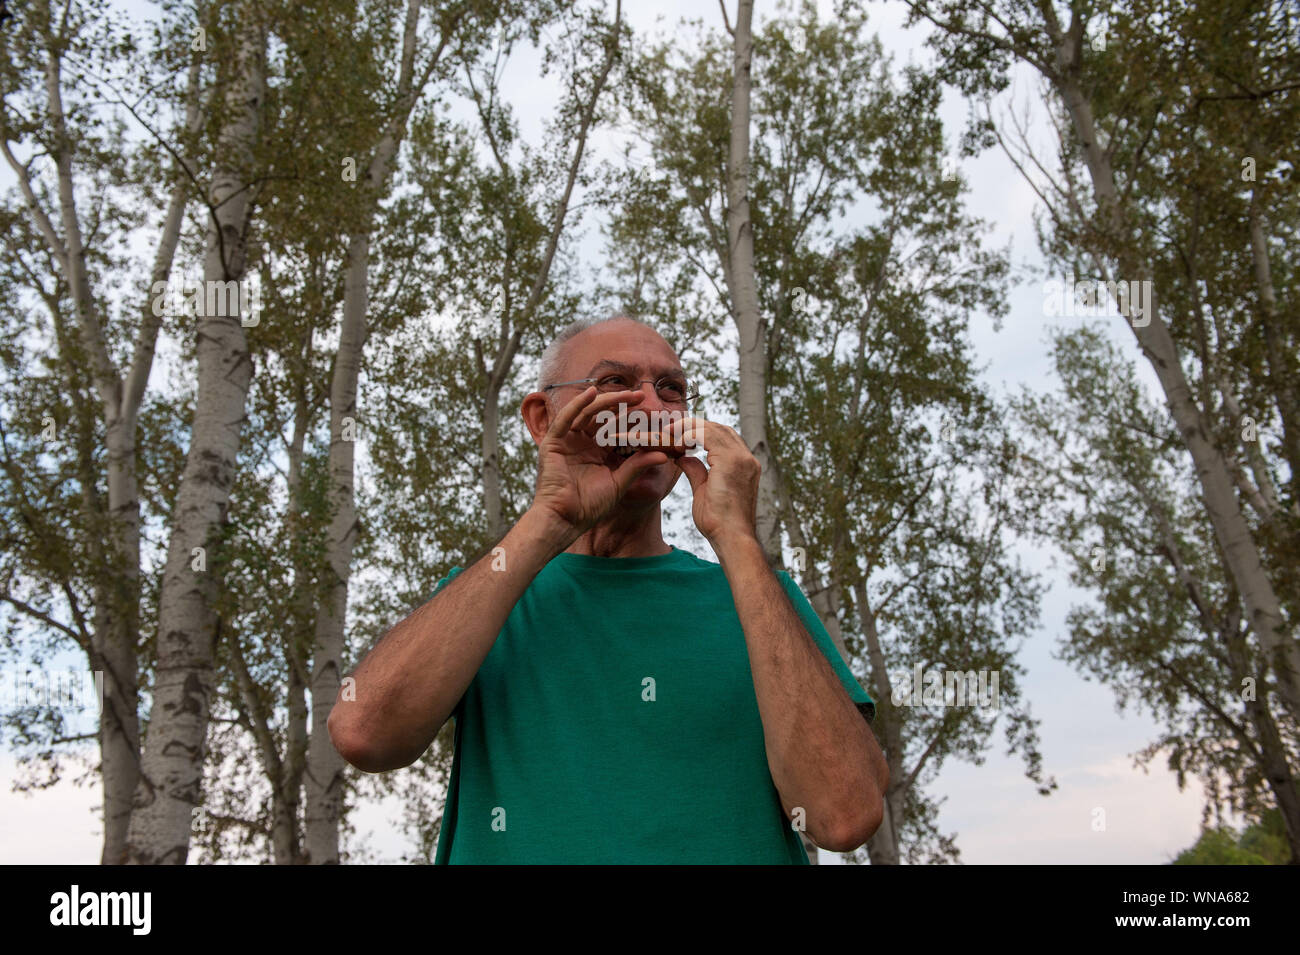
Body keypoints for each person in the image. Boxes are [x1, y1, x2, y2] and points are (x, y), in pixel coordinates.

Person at [327, 313, 888, 863]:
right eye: (615, 382)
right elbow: (363, 734)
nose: (652, 406)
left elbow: (842, 817)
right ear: (543, 419)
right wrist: (549, 517)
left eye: (671, 389)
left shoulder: (763, 601)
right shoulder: (490, 599)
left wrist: (737, 541)